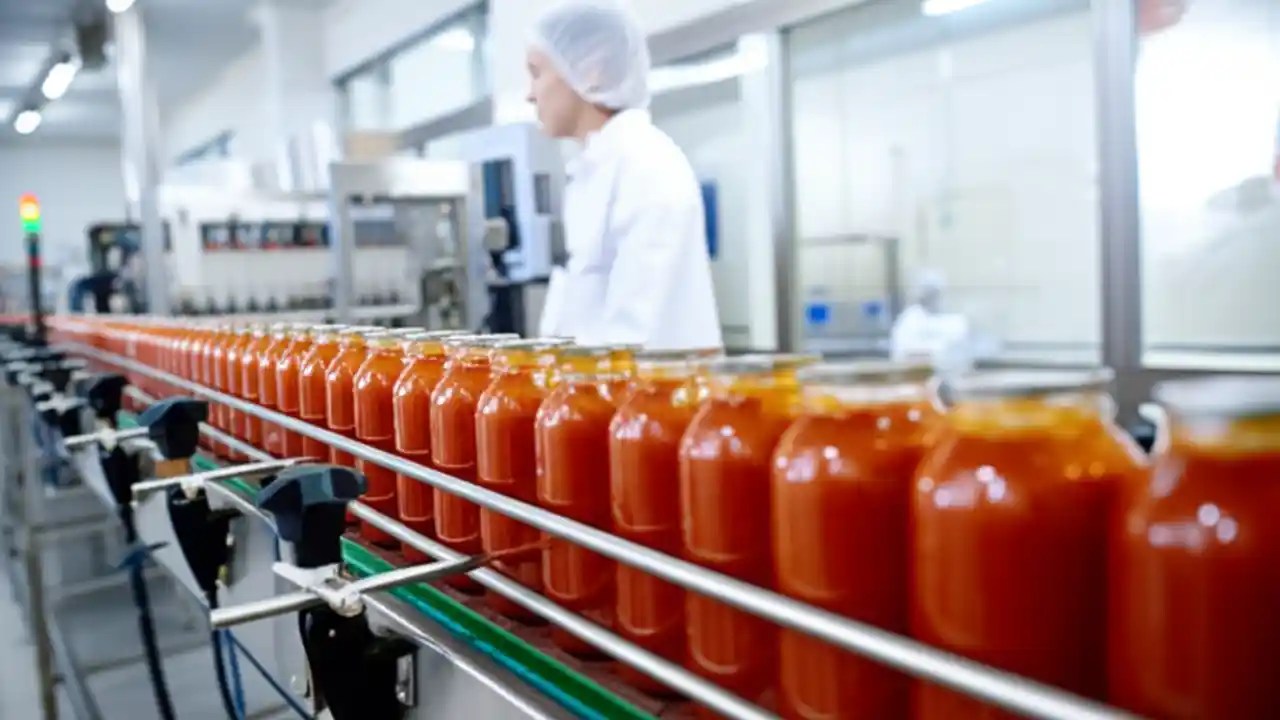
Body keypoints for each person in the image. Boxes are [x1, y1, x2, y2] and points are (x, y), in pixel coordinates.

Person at [528, 0, 722, 350]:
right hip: (593, 396)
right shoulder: (592, 171)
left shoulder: (646, 167)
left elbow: (639, 338)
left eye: (536, 72)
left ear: (592, 70)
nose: (530, 94)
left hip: (644, 399)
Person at [890, 269, 973, 378]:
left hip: (951, 380)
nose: (932, 296)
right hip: (917, 379)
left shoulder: (955, 321)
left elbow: (961, 353)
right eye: (929, 292)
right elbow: (904, 353)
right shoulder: (909, 320)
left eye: (935, 292)